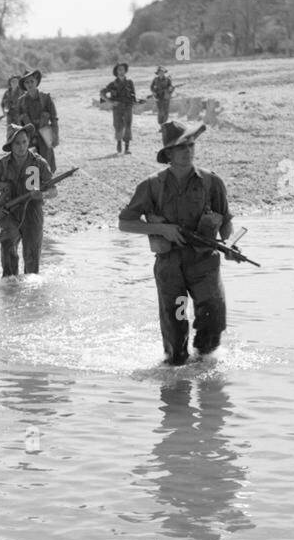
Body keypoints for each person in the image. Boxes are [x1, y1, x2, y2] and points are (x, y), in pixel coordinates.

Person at [117, 121, 233, 366]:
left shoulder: (212, 182)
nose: (188, 151)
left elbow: (226, 226)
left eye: (191, 145)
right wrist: (162, 229)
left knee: (212, 322)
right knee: (176, 330)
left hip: (204, 266)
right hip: (171, 269)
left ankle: (205, 373)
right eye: (181, 147)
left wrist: (230, 246)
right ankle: (177, 372)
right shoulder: (152, 185)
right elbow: (125, 223)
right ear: (168, 154)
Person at [0, 124, 53, 278]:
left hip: (32, 216)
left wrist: (42, 195)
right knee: (8, 258)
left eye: (24, 142)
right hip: (9, 216)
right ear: (10, 145)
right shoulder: (1, 165)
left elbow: (52, 191)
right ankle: (10, 290)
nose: (22, 147)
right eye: (17, 143)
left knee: (32, 265)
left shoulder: (39, 163)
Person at [14, 68, 59, 171]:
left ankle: (47, 182)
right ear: (24, 85)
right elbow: (18, 124)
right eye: (27, 82)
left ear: (36, 82)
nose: (30, 84)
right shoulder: (21, 101)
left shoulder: (46, 98)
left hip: (45, 132)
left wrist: (55, 136)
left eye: (32, 81)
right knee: (31, 162)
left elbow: (54, 119)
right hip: (30, 134)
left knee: (47, 162)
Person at [100, 62, 137, 155]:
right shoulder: (113, 84)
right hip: (117, 107)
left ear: (125, 71)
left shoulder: (130, 82)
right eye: (119, 70)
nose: (121, 71)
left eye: (123, 69)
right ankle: (119, 142)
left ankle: (127, 147)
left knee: (128, 125)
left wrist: (135, 102)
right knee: (118, 126)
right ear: (116, 72)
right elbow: (102, 93)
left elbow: (133, 95)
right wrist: (110, 102)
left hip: (128, 106)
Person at [0, 74, 22, 139]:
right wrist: (4, 112)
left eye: (16, 81)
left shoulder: (21, 92)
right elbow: (2, 104)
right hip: (9, 115)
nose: (14, 83)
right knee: (10, 131)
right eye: (13, 81)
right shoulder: (7, 92)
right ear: (10, 83)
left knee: (19, 131)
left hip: (18, 114)